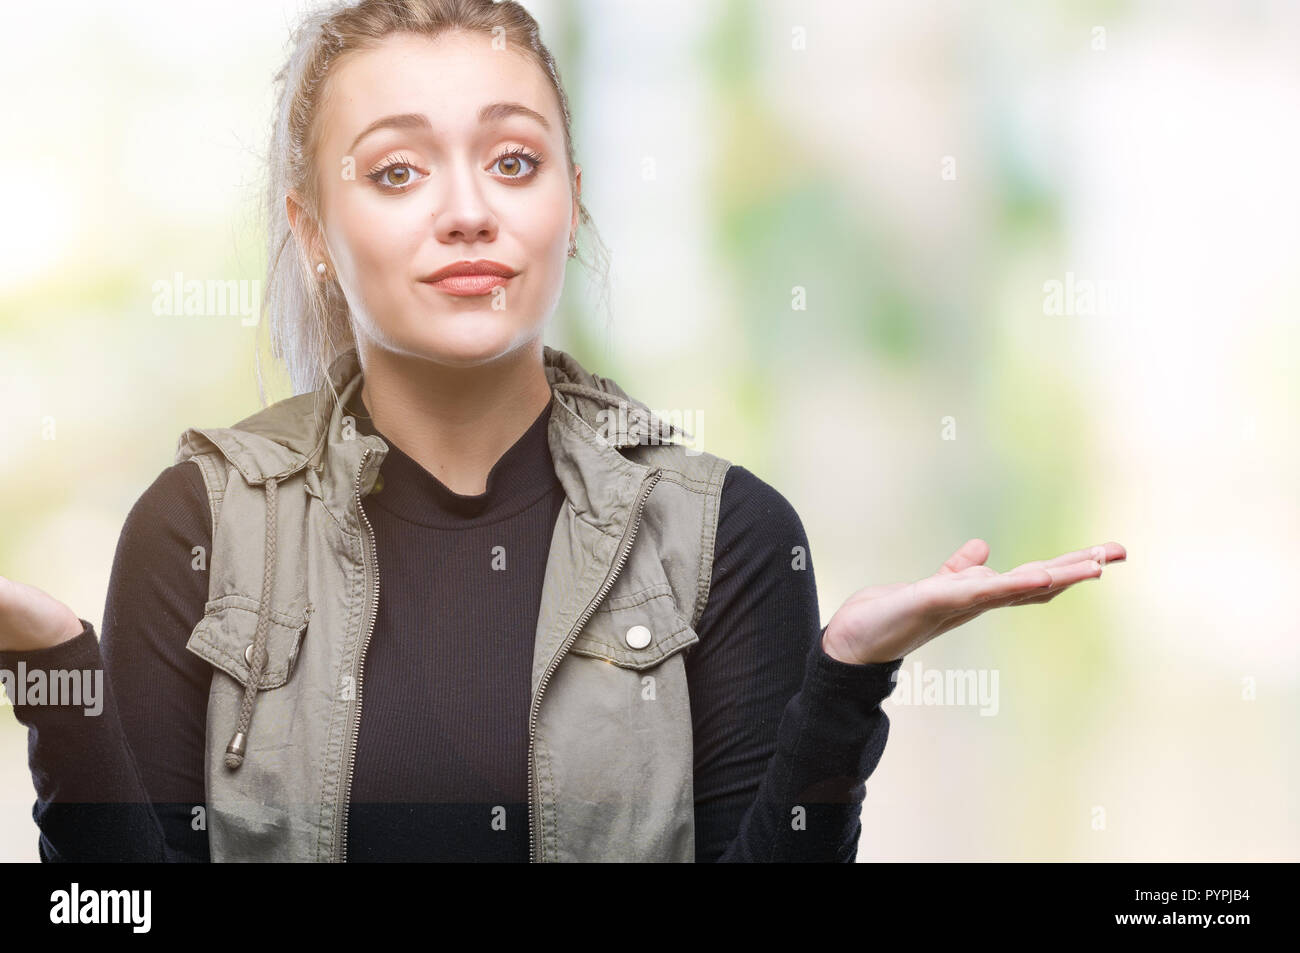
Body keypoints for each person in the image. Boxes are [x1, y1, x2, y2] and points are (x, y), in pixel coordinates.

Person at [0, 0, 1125, 863]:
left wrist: (843, 680)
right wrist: (51, 661)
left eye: (513, 160)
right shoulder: (197, 523)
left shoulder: (725, 533)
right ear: (314, 232)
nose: (467, 209)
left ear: (570, 202)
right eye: (396, 171)